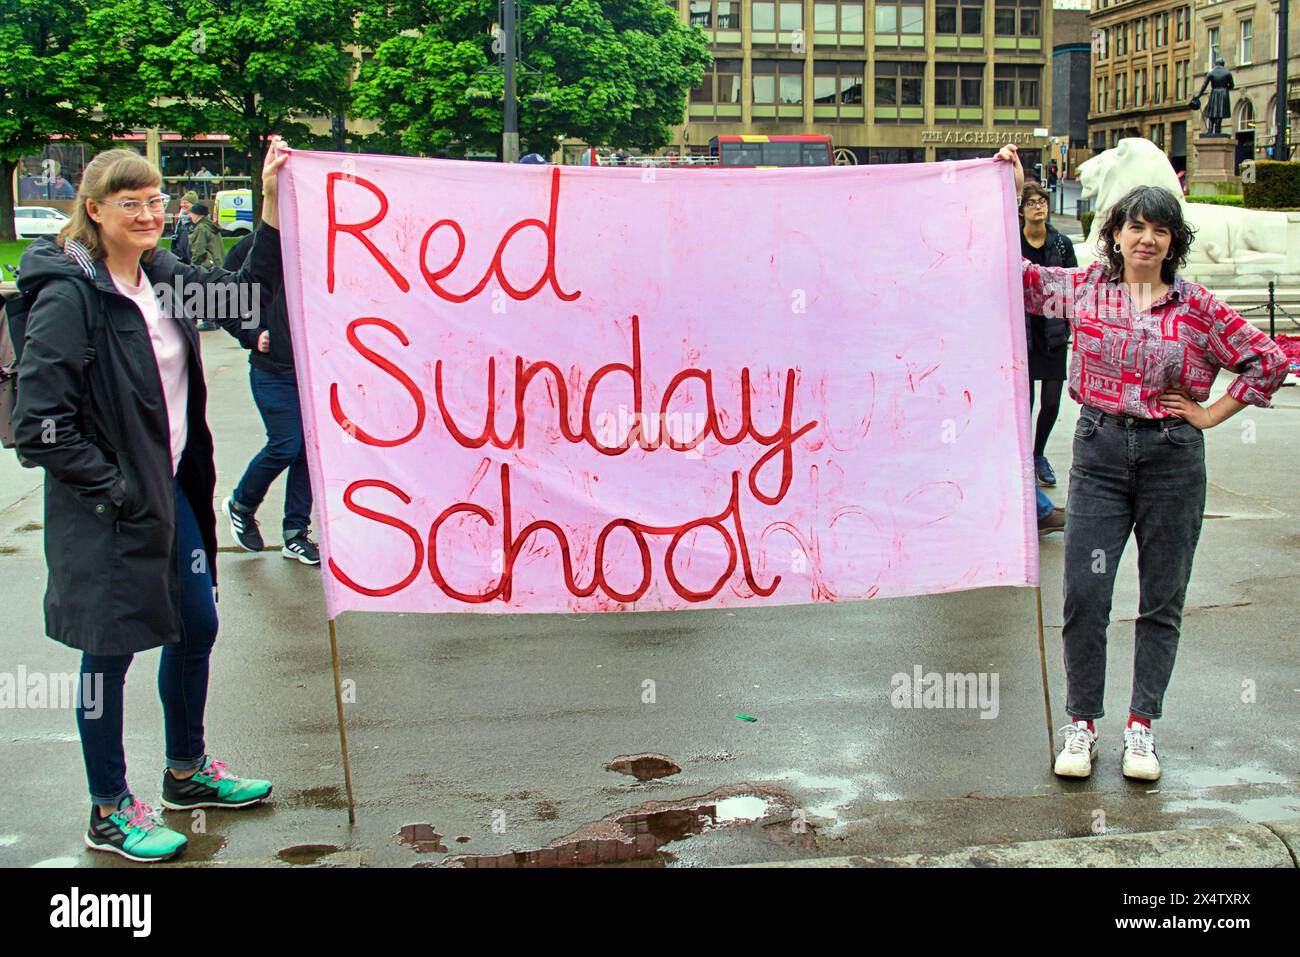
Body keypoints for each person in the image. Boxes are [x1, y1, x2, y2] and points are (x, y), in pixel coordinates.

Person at [14, 137, 290, 862]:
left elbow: (248, 294)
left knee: (195, 624)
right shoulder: (71, 296)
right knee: (108, 654)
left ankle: (186, 771)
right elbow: (37, 426)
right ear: (95, 210)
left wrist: (268, 200)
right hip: (108, 507)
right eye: (130, 202)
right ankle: (108, 807)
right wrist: (114, 488)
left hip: (170, 491)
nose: (147, 213)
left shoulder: (164, 277)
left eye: (155, 201)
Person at [996, 143, 1288, 782]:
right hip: (1098, 456)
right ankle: (1081, 724)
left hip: (1171, 461)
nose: (1147, 239)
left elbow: (1267, 359)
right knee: (1085, 595)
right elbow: (1010, 272)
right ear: (1116, 235)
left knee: (1162, 598)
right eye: (1136, 226)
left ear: (1172, 241)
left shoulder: (1197, 306)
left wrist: (1211, 414)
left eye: (1160, 229)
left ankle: (1141, 729)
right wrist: (1014, 187)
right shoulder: (1088, 291)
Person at [216, 233, 319, 565]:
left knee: (309, 453)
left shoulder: (325, 235)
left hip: (318, 371)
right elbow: (222, 299)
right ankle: (241, 505)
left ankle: (295, 535)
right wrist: (251, 334)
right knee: (286, 445)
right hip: (274, 370)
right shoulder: (255, 244)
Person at [1019, 181, 1077, 491]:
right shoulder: (1012, 241)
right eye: (1032, 202)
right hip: (1023, 331)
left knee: (1052, 401)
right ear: (1022, 209)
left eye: (1042, 201)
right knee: (1023, 401)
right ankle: (1022, 460)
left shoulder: (1061, 244)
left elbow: (1072, 287)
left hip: (1053, 330)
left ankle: (1038, 453)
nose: (1039, 206)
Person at [171, 191, 198, 263]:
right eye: (182, 202)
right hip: (180, 261)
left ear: (193, 205)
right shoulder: (180, 220)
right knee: (178, 274)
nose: (183, 205)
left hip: (192, 264)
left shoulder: (198, 222)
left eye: (186, 203)